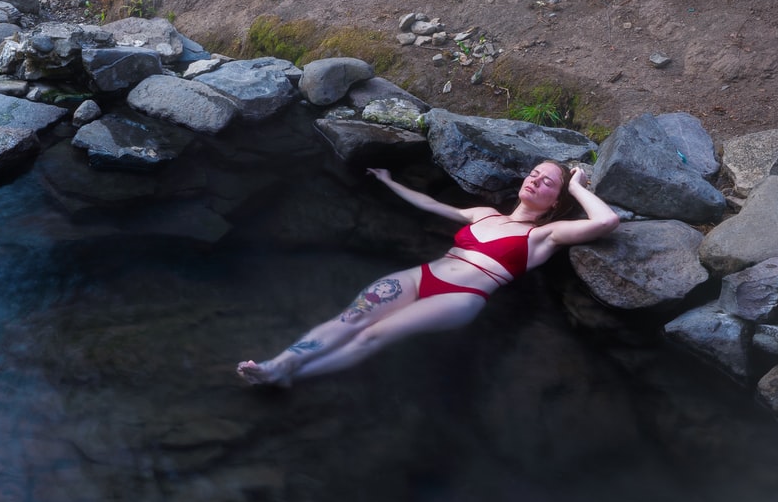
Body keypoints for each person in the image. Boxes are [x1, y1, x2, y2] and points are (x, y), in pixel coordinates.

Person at [235, 160, 619, 386]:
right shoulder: (483, 214)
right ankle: (281, 362)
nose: (534, 180)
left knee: (371, 335)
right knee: (349, 319)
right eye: (534, 173)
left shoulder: (545, 235)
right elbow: (430, 204)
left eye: (547, 182)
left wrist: (575, 185)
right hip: (422, 276)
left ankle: (293, 376)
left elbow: (606, 221)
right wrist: (390, 182)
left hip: (459, 298)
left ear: (555, 202)